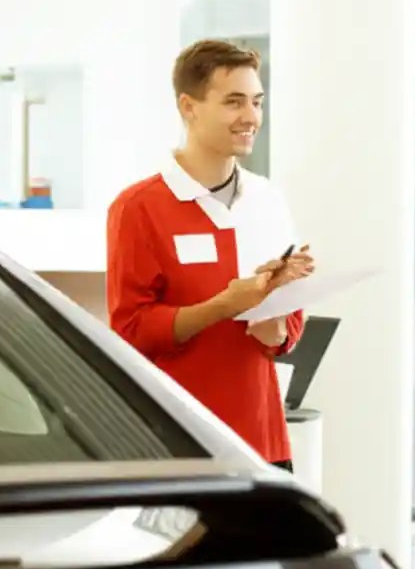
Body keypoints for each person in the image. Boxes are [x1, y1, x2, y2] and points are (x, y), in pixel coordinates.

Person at [106, 39, 313, 471]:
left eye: (257, 101)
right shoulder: (138, 208)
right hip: (179, 447)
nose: (251, 117)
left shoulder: (267, 199)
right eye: (234, 102)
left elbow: (287, 333)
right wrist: (223, 306)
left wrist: (274, 317)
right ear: (189, 106)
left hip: (263, 443)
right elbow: (130, 329)